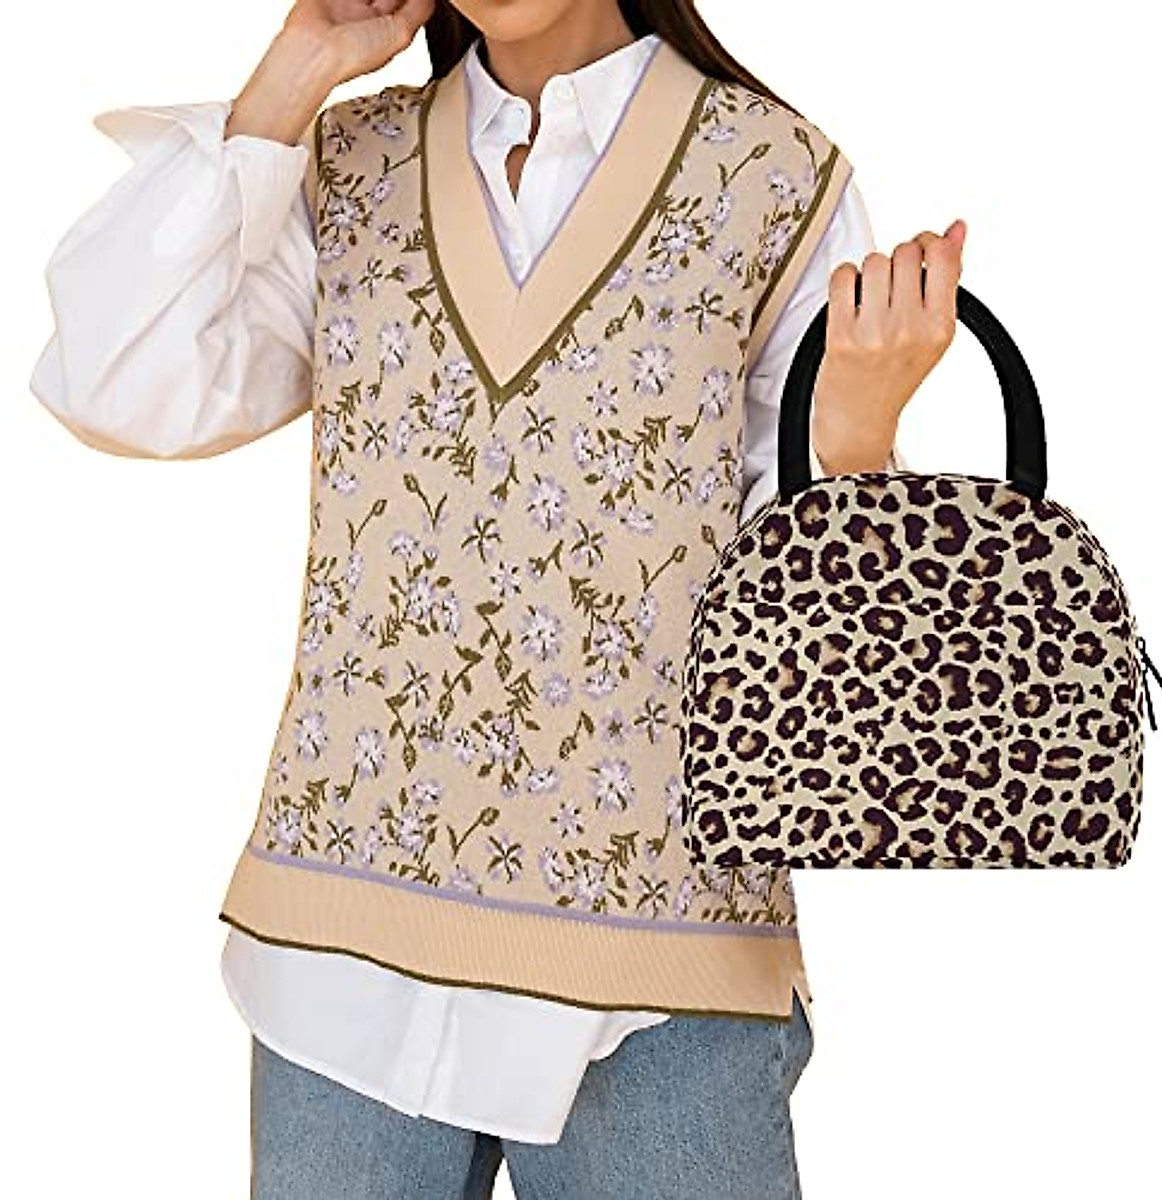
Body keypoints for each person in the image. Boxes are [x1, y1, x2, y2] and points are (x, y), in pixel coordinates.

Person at [29, 1, 965, 1195]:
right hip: (342, 963)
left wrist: (860, 441)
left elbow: (821, 661)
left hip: (657, 972)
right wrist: (293, 75)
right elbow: (116, 383)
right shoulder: (351, 163)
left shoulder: (773, 175)